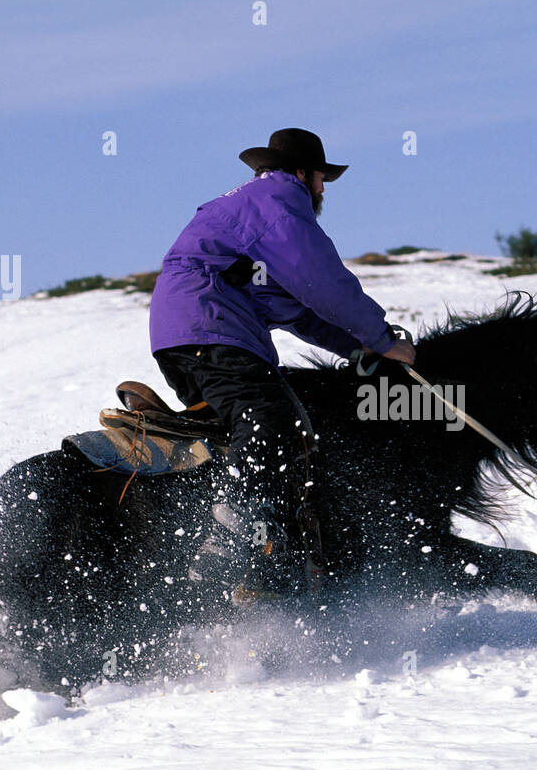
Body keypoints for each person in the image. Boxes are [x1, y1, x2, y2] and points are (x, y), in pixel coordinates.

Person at [149, 128, 414, 597]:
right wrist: (379, 335)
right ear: (300, 172)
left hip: (187, 334)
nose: (322, 189)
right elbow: (321, 281)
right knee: (269, 418)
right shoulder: (277, 200)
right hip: (210, 330)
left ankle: (269, 552)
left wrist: (360, 351)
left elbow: (291, 307)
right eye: (320, 178)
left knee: (267, 430)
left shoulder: (247, 212)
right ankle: (233, 532)